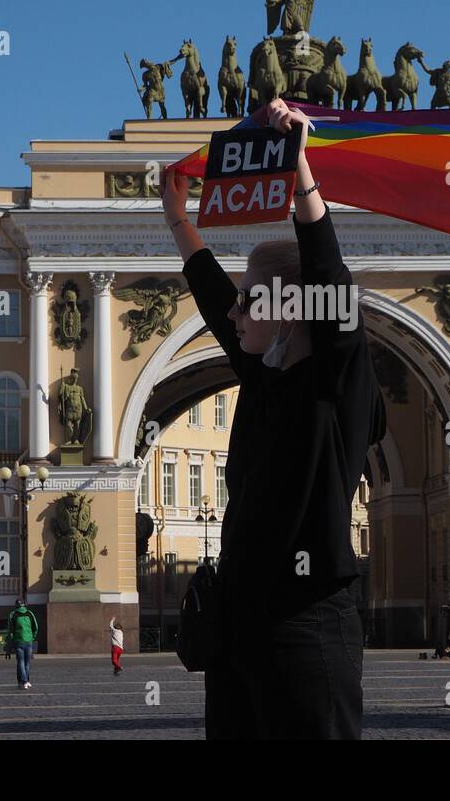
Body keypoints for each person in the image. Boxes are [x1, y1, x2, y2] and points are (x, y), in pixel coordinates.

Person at [163, 96, 387, 739]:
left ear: (292, 305)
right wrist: (179, 219)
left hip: (307, 628)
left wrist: (301, 175)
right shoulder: (265, 380)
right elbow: (214, 302)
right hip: (241, 630)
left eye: (248, 301)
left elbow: (332, 282)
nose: (233, 315)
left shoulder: (336, 386)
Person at [7, 599, 39, 690]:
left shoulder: (13, 614)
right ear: (24, 605)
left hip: (18, 641)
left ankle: (24, 681)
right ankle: (26, 681)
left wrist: (11, 640)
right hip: (29, 641)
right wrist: (32, 637)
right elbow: (35, 627)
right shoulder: (30, 613)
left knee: (20, 662)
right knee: (27, 662)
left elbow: (10, 630)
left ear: (16, 605)